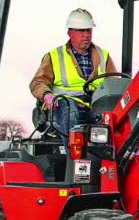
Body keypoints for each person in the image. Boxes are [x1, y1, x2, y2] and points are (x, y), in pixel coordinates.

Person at [30, 8, 117, 136]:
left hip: (95, 106)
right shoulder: (55, 56)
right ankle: (73, 154)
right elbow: (38, 82)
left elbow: (114, 83)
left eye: (88, 30)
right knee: (70, 111)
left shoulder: (103, 56)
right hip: (64, 106)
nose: (86, 35)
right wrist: (47, 94)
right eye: (81, 31)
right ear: (70, 33)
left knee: (118, 114)